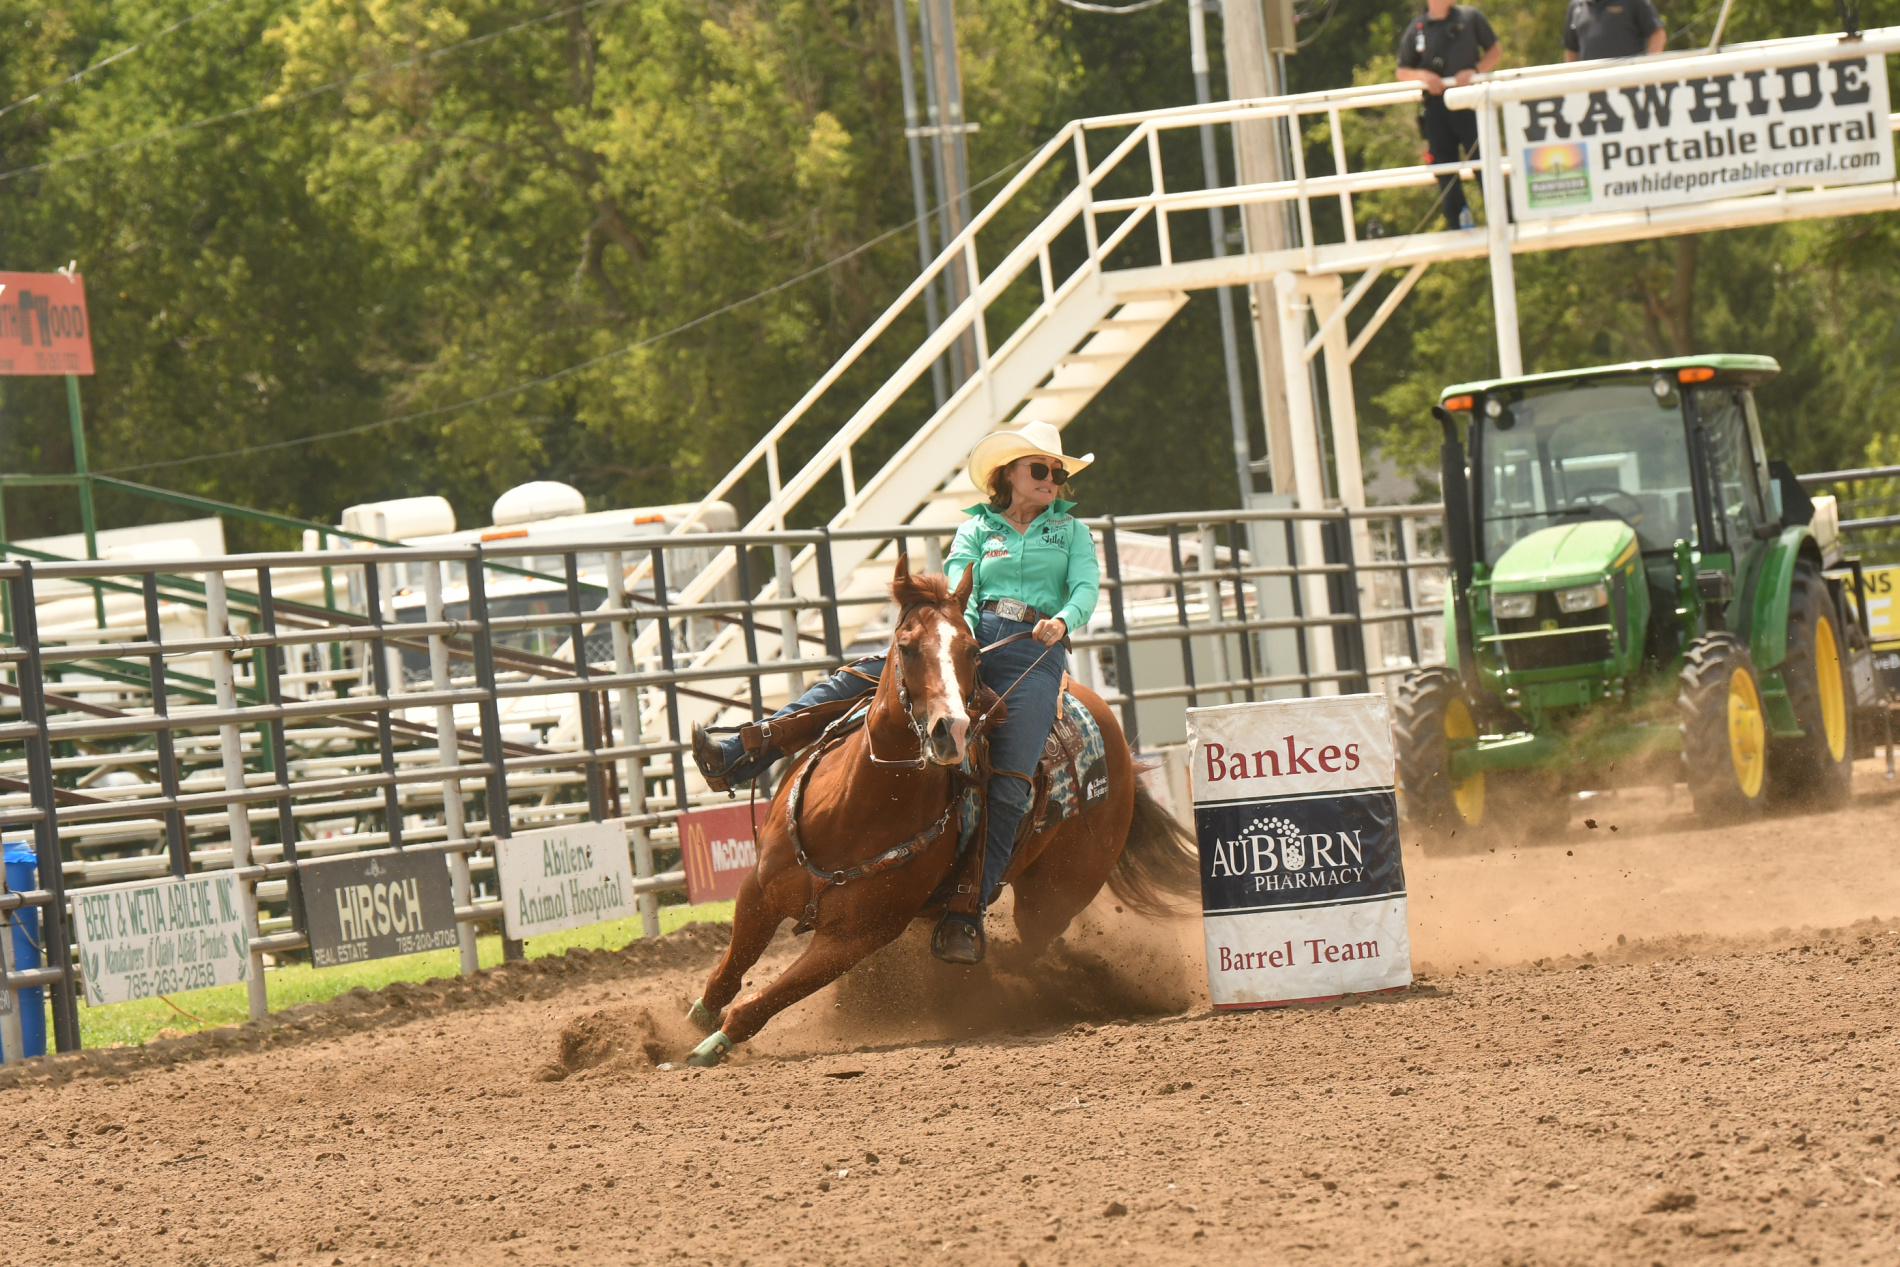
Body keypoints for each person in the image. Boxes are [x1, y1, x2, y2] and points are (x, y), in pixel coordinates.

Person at [689, 419, 1099, 965]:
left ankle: (966, 910)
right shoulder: (978, 529)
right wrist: (956, 640)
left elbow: (1086, 587)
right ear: (1010, 475)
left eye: (1058, 471)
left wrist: (1065, 620)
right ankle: (747, 747)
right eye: (1041, 469)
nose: (1052, 478)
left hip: (1033, 653)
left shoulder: (1070, 532)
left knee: (1010, 782)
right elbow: (960, 587)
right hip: (968, 641)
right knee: (854, 682)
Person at [1396, 0, 1502, 231]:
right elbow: (1402, 71)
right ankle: (1459, 222)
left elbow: (1495, 51)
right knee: (1444, 168)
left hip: (1472, 102)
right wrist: (1423, 76)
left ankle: (1504, 216)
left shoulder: (1470, 17)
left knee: (1485, 161)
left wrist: (1475, 71)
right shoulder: (1417, 28)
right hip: (1436, 107)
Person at [1563, 0, 1665, 61]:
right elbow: (1571, 49)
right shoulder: (1576, 5)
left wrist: (1647, 69)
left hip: (1628, 83)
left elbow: (1657, 33)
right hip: (1590, 85)